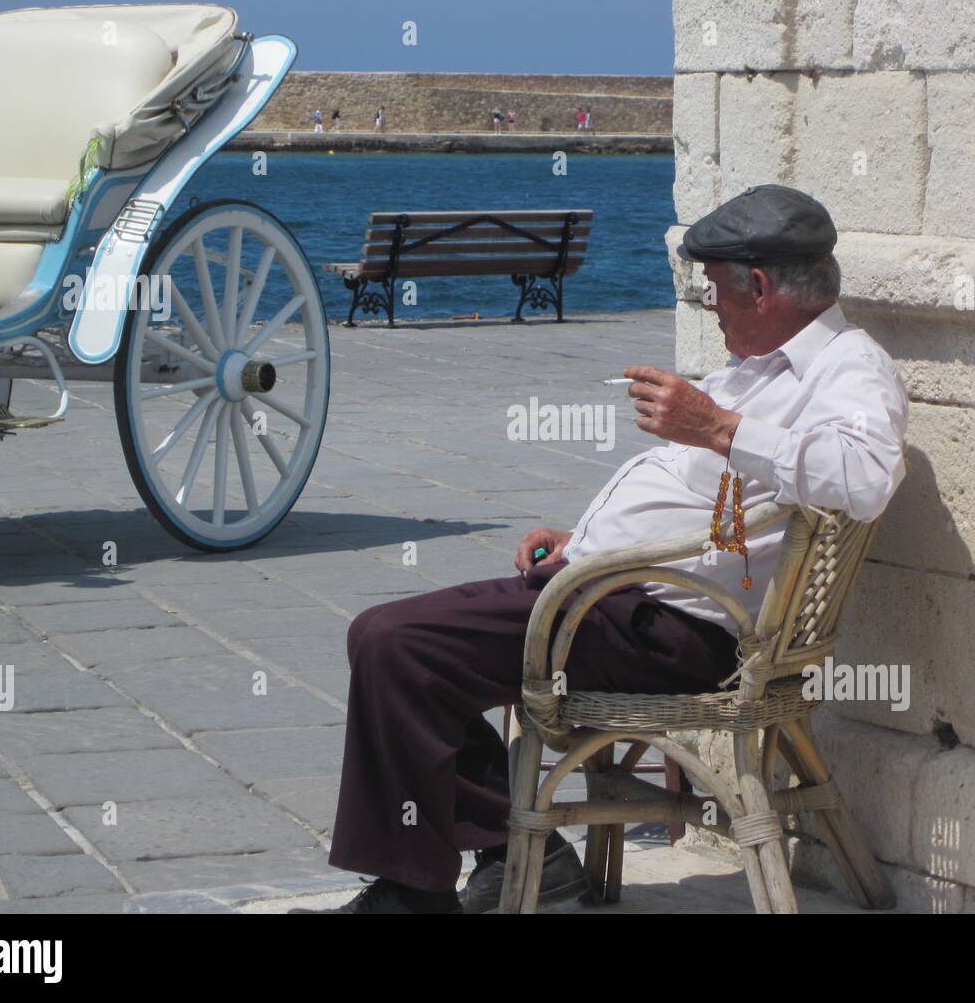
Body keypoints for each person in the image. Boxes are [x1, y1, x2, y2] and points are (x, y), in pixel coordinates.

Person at [295, 185, 910, 914]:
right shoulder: (756, 367)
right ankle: (513, 851)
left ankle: (416, 896)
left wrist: (716, 426)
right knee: (404, 645)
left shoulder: (847, 367)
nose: (709, 307)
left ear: (761, 286)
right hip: (614, 597)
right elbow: (696, 498)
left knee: (398, 643)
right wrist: (581, 539)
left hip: (678, 630)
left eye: (714, 289)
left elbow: (867, 478)